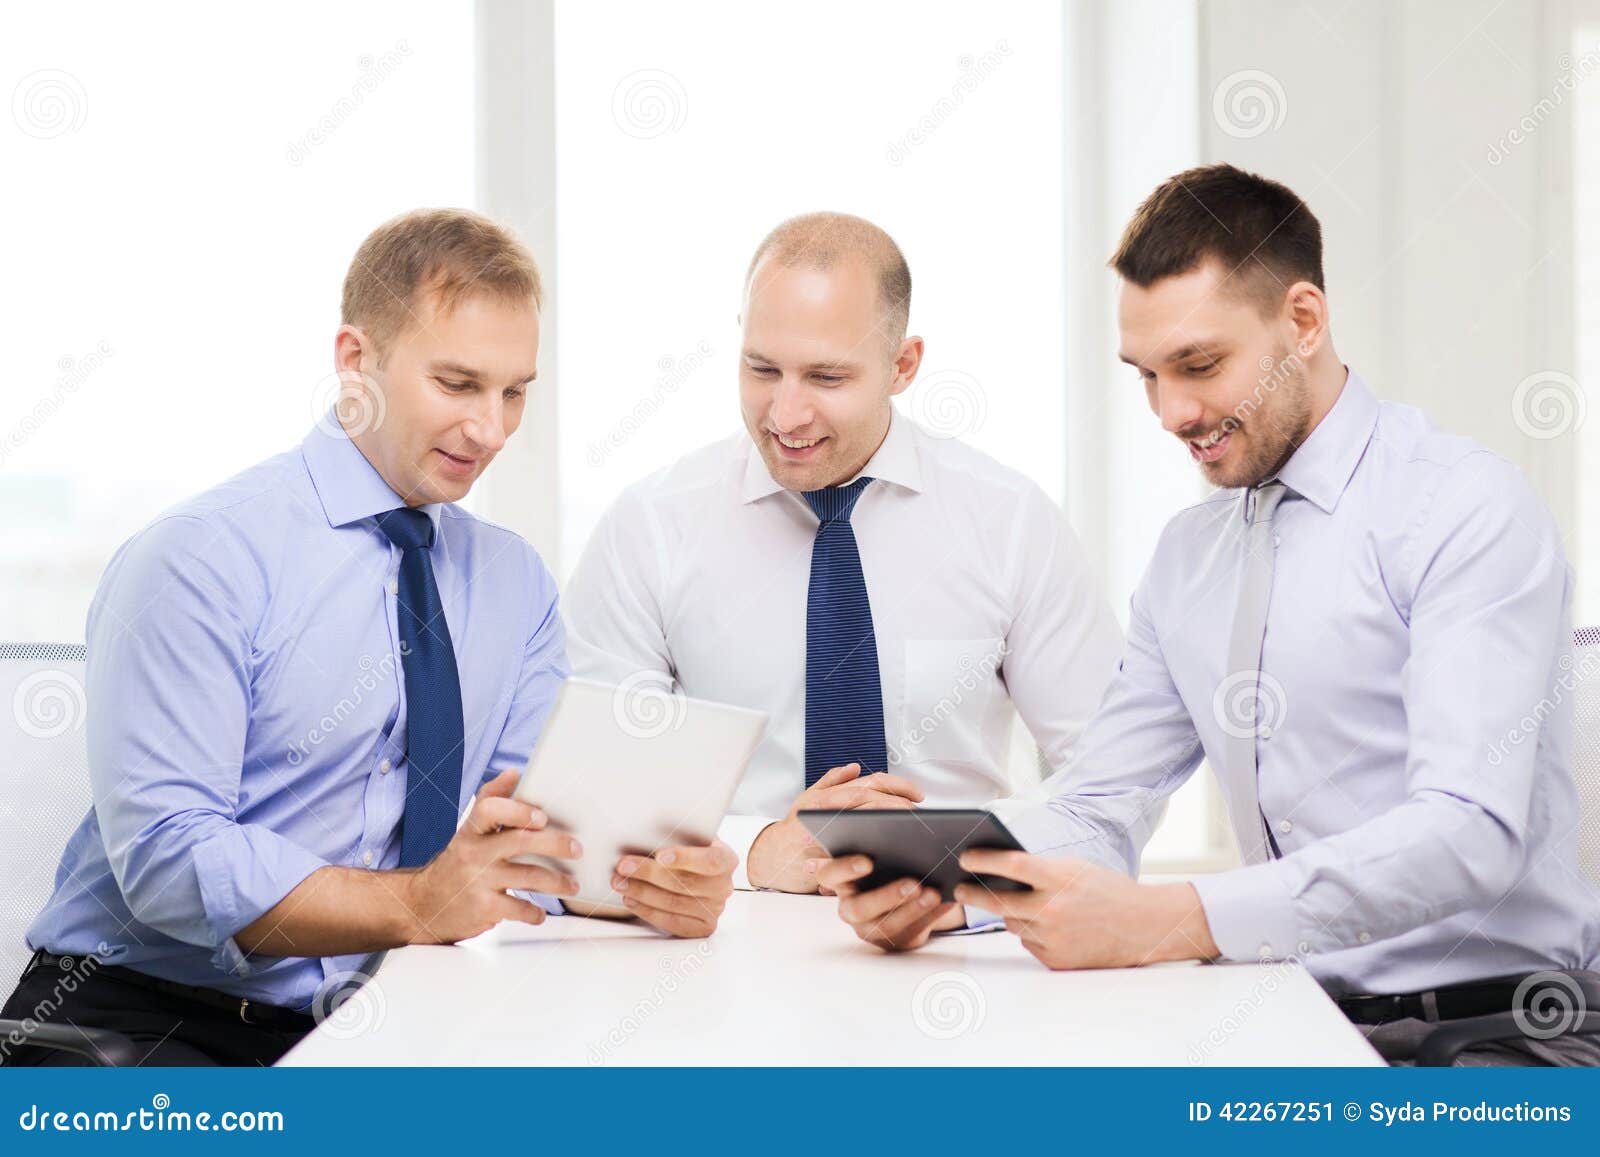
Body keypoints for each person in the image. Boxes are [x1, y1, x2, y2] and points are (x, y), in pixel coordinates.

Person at [820, 165, 1600, 1065]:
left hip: (1506, 1028)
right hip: (1290, 1016)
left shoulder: (1464, 508)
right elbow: (1104, 806)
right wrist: (949, 882)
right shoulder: (1190, 559)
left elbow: (1471, 831)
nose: (1171, 412)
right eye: (1146, 375)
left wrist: (1178, 917)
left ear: (1303, 322)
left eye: (1199, 365)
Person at [2, 208, 734, 1067]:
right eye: (459, 384)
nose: (492, 429)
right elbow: (169, 861)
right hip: (142, 1023)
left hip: (388, 1016)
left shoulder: (515, 583)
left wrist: (646, 886)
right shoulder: (203, 556)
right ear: (356, 361)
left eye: (515, 391)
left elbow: (533, 833)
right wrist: (419, 905)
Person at [564, 211, 1122, 932]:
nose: (785, 413)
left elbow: (1113, 790)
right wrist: (757, 848)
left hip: (965, 963)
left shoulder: (1010, 523)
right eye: (762, 368)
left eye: (826, 376)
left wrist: (953, 879)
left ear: (904, 364)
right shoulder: (650, 528)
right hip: (720, 957)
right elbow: (591, 810)